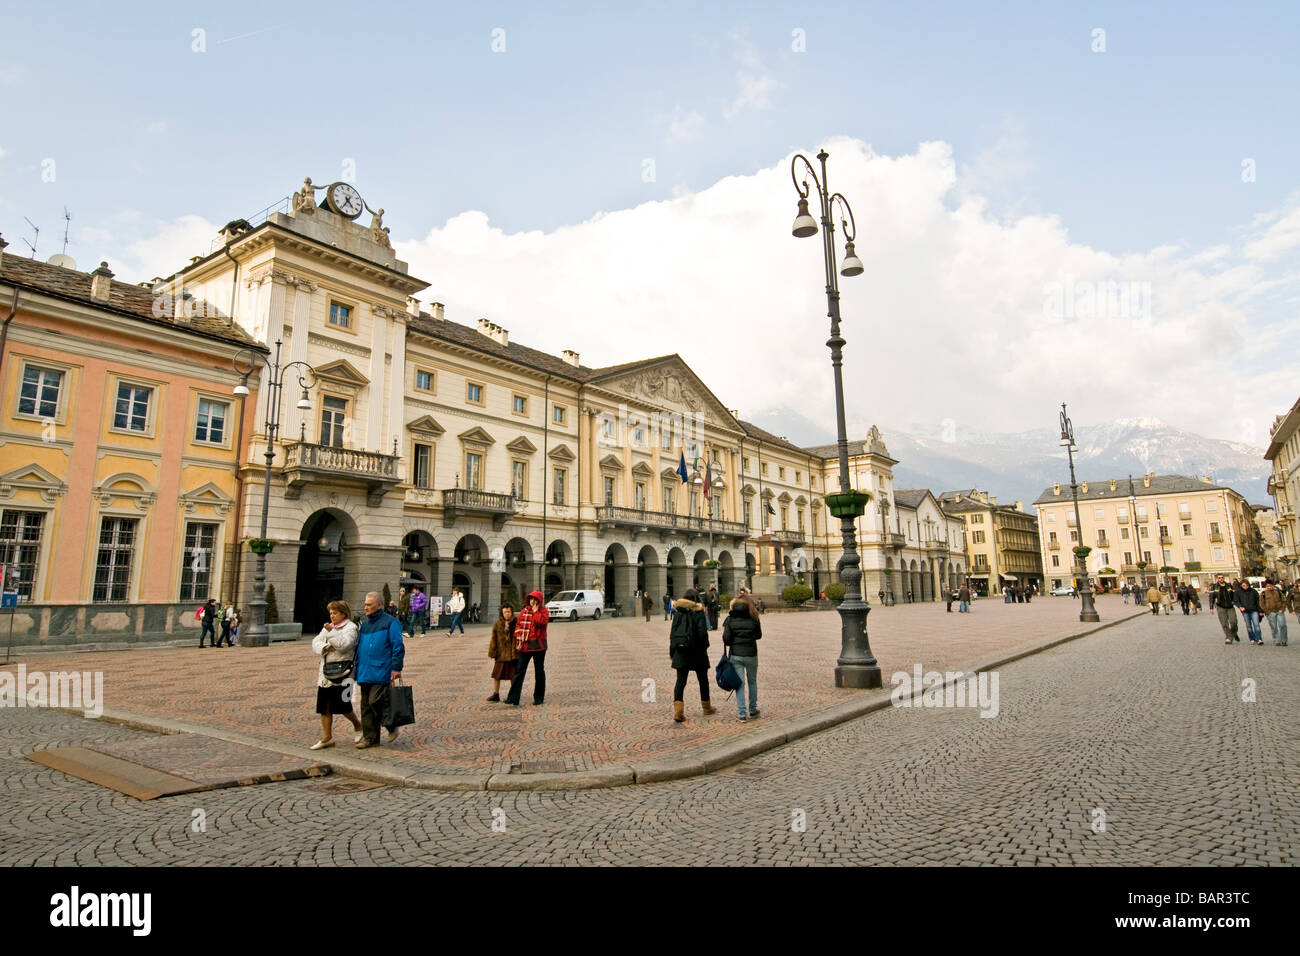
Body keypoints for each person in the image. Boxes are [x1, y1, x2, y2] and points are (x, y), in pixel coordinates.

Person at [354, 590, 405, 748]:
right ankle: (370, 737)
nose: (366, 608)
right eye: (365, 605)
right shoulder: (365, 625)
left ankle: (391, 724)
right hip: (364, 670)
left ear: (379, 605)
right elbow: (359, 647)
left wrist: (396, 667)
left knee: (375, 700)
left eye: (369, 605)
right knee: (366, 706)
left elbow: (397, 645)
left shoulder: (391, 622)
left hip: (382, 669)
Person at [310, 599, 362, 749]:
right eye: (330, 613)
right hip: (326, 672)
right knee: (324, 707)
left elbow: (344, 645)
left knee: (344, 706)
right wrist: (325, 646)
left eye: (335, 613)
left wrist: (331, 634)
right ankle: (327, 737)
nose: (332, 616)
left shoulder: (350, 628)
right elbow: (316, 641)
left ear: (343, 613)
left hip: (344, 673)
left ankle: (358, 726)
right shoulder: (329, 627)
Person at [668, 587, 712, 722]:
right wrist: (705, 646)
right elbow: (702, 633)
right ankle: (707, 707)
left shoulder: (678, 613)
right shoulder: (698, 613)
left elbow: (673, 633)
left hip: (681, 650)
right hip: (697, 651)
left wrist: (672, 651)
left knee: (680, 681)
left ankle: (678, 711)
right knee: (703, 680)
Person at [505, 590, 549, 706]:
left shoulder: (543, 611)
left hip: (539, 647)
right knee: (519, 672)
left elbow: (541, 622)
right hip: (525, 646)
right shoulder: (524, 611)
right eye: (530, 599)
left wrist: (535, 612)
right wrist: (518, 634)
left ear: (539, 601)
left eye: (534, 600)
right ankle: (513, 697)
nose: (532, 602)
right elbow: (519, 625)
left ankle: (538, 698)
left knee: (539, 672)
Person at [721, 598, 761, 721]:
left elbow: (726, 640)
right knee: (752, 681)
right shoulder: (754, 619)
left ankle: (742, 714)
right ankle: (753, 710)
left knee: (740, 684)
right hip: (751, 653)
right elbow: (758, 635)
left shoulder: (730, 620)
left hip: (736, 654)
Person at [486, 604, 518, 701]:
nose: (507, 614)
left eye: (509, 612)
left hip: (513, 655)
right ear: (502, 613)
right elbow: (493, 639)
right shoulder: (497, 624)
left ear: (511, 612)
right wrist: (492, 652)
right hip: (501, 654)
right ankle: (496, 694)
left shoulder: (516, 623)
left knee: (513, 676)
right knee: (496, 675)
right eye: (505, 612)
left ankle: (513, 695)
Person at [1210, 575, 1239, 643]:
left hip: (1230, 606)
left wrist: (1235, 602)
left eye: (1222, 577)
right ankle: (1228, 637)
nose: (1221, 579)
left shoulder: (1229, 585)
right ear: (1217, 579)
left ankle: (1234, 633)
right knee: (1224, 623)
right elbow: (1211, 597)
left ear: (1224, 578)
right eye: (1219, 578)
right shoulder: (1214, 586)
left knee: (1234, 622)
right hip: (1220, 607)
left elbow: (1234, 595)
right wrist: (1211, 607)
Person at [1260, 579, 1288, 646]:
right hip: (1270, 612)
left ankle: (1284, 640)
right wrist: (1267, 611)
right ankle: (1277, 640)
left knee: (1282, 625)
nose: (1269, 587)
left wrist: (1282, 609)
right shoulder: (1263, 593)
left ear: (1273, 585)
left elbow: (1284, 600)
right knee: (1274, 627)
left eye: (1270, 586)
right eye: (1267, 586)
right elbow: (1261, 604)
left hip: (1279, 611)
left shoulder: (1278, 591)